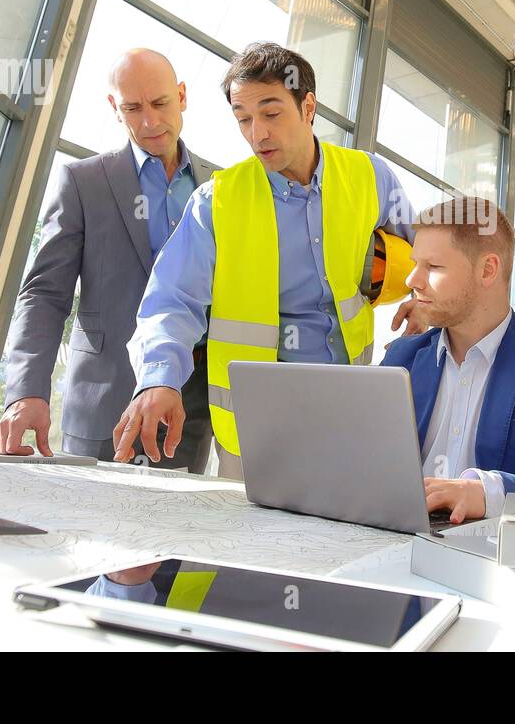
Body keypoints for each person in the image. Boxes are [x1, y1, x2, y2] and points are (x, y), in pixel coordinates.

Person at [114, 42, 422, 476]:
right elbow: (171, 299)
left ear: (308, 105)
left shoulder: (369, 175)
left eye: (271, 113)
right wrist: (160, 377)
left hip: (349, 411)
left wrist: (426, 300)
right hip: (254, 429)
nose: (257, 133)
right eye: (244, 119)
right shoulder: (216, 202)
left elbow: (428, 252)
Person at [0, 49, 218, 470]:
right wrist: (26, 390)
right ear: (115, 108)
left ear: (183, 96)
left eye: (160, 103)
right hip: (104, 400)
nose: (149, 121)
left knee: (177, 531)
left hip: (192, 407)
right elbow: (43, 294)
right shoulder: (83, 182)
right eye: (133, 108)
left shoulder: (221, 188)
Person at [382, 197, 515, 523]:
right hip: (392, 543)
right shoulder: (402, 356)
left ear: (487, 270)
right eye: (416, 264)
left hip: (495, 557)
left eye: (432, 267)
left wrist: (485, 493)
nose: (412, 280)